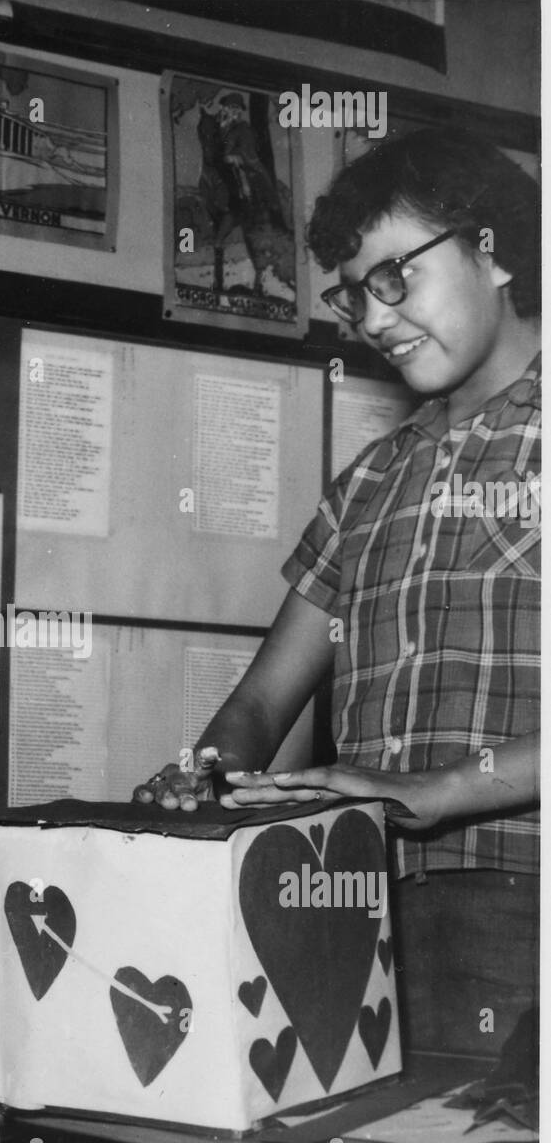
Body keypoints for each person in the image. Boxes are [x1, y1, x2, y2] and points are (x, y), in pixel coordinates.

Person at [135, 127, 540, 1069]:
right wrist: (209, 777)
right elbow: (260, 703)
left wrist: (428, 794)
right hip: (356, 914)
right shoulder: (369, 480)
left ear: (497, 252)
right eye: (353, 291)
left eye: (394, 274)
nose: (373, 315)